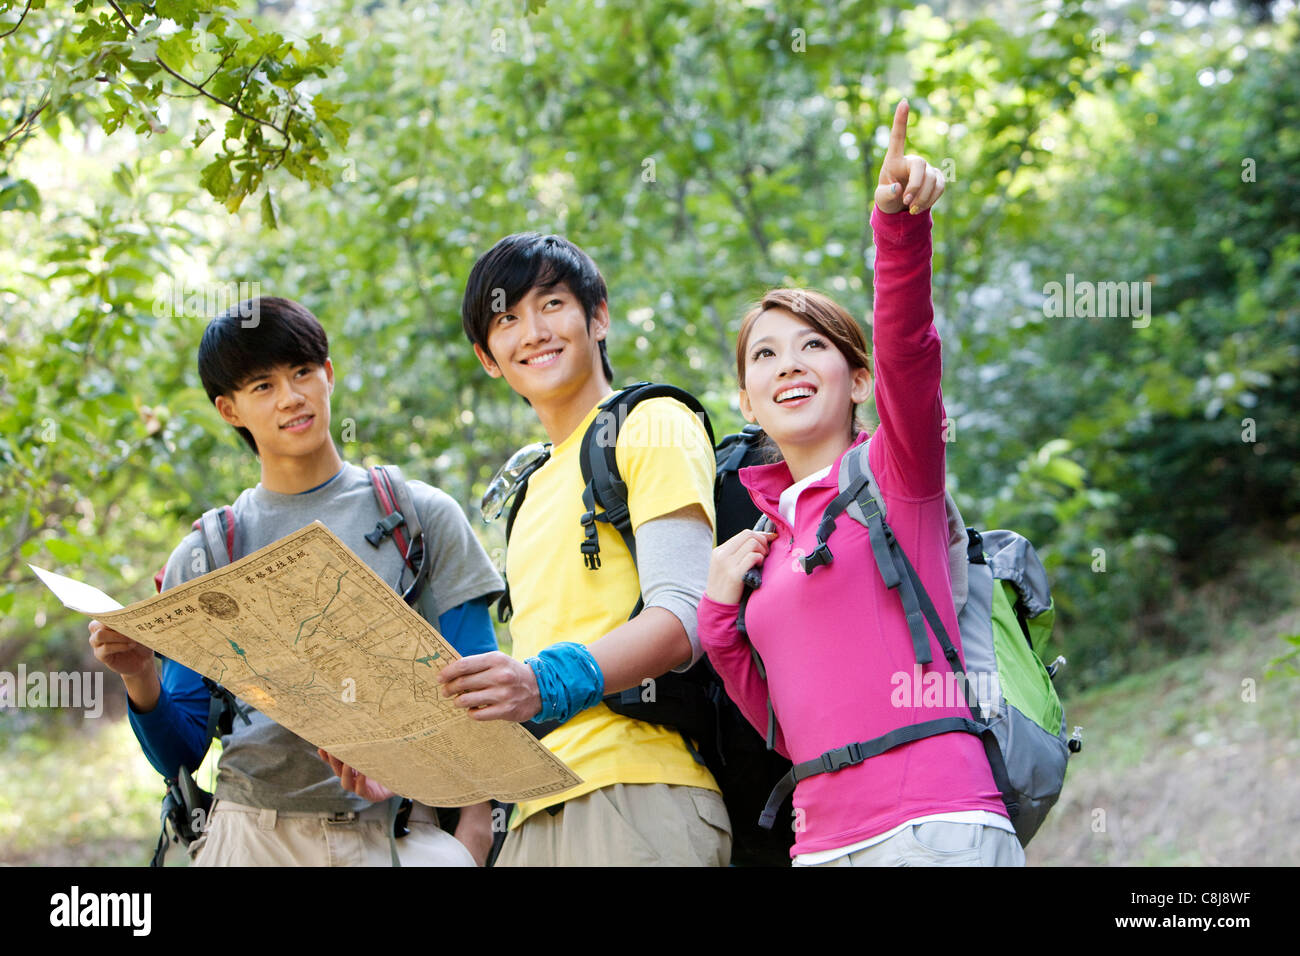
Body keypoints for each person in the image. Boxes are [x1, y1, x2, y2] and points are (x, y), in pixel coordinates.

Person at [327, 234, 730, 865]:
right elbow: (517, 701)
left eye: (551, 304)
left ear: (598, 317)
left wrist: (541, 680)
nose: (533, 331)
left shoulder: (648, 422)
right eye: (507, 319)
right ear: (489, 357)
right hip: (533, 810)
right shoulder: (530, 488)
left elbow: (685, 615)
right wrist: (415, 774)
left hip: (636, 793)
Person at [697, 100, 1024, 867]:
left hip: (937, 825)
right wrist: (718, 611)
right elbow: (777, 724)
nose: (789, 365)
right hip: (822, 846)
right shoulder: (765, 547)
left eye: (814, 345)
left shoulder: (897, 475)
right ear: (745, 401)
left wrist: (899, 229)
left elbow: (911, 347)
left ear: (858, 380)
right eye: (765, 356)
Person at [88, 297, 504, 866]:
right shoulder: (209, 551)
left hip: (397, 832)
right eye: (262, 386)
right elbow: (182, 751)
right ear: (229, 409)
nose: (291, 397)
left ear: (328, 375)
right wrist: (139, 674)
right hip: (253, 835)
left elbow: (484, 691)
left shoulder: (419, 517)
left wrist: (470, 839)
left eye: (303, 372)